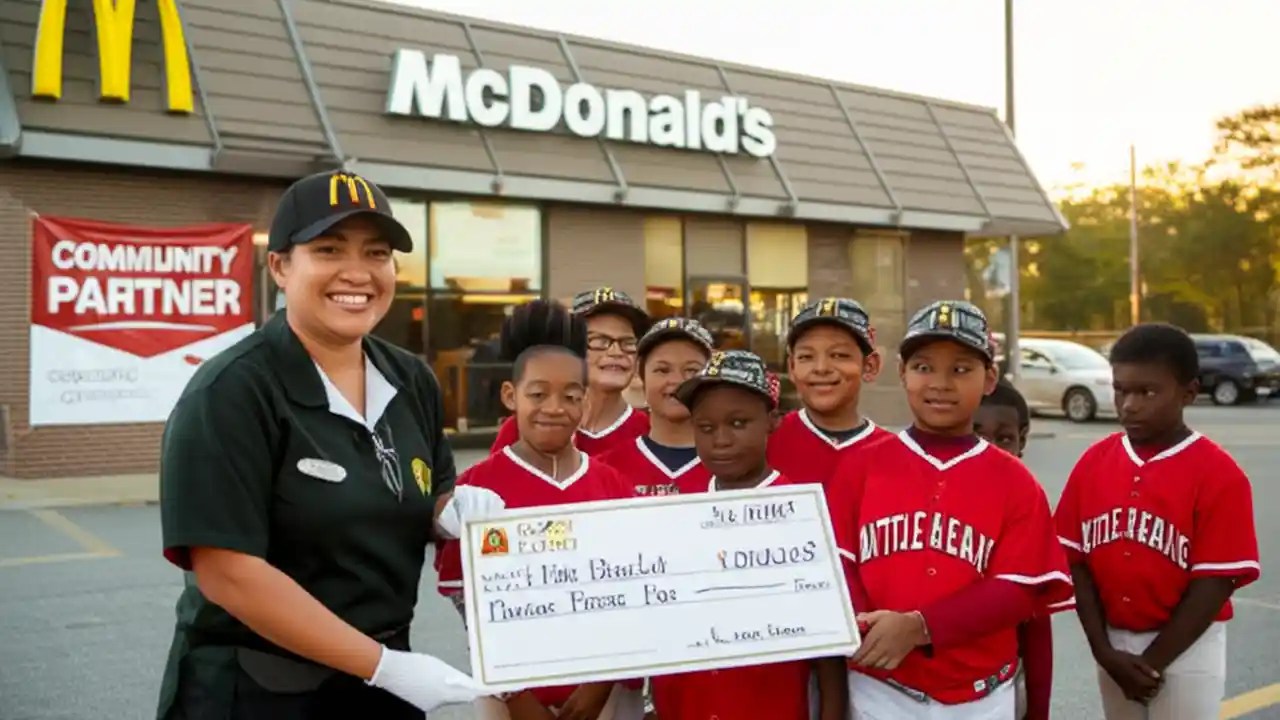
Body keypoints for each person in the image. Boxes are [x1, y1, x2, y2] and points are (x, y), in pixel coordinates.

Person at [155, 169, 501, 719]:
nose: (358, 272)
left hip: (379, 685)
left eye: (378, 253)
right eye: (329, 248)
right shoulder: (233, 392)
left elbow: (427, 488)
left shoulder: (410, 380)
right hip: (259, 691)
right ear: (281, 266)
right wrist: (382, 666)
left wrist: (450, 512)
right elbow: (227, 571)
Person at [825, 300, 1073, 719]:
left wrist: (920, 626)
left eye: (960, 369)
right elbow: (837, 568)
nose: (940, 383)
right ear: (902, 372)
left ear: (989, 378)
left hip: (980, 696)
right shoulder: (861, 466)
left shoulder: (1014, 480)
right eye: (924, 367)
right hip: (878, 690)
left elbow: (1018, 590)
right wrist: (871, 627)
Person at [436, 299, 645, 720]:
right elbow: (468, 601)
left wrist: (599, 685)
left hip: (603, 691)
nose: (554, 408)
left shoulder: (613, 485)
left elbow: (634, 591)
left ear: (585, 401)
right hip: (509, 691)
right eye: (538, 394)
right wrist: (516, 694)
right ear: (511, 396)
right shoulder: (478, 485)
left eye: (570, 396)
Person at [1054, 323, 1261, 720]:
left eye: (1147, 392)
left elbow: (1214, 583)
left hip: (1188, 647)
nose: (1129, 404)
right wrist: (1104, 652)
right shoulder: (1094, 463)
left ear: (1188, 392)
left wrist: (1151, 662)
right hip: (1113, 645)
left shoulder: (1219, 473)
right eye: (1121, 390)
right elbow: (1074, 562)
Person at [647, 350, 849, 720]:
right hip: (686, 705)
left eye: (738, 423)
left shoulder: (801, 512)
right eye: (705, 428)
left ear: (772, 422)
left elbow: (828, 642)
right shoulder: (677, 514)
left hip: (769, 704)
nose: (720, 440)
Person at [490, 288, 652, 455]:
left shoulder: (651, 432)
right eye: (599, 340)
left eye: (627, 342)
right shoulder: (528, 425)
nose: (616, 352)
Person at [975, 381, 1053, 720]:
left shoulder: (1027, 507)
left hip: (999, 684)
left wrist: (1038, 710)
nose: (990, 448)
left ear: (1022, 440)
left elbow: (1037, 626)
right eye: (977, 435)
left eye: (1003, 438)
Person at [768, 298, 891, 487]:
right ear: (792, 367)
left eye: (839, 355)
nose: (821, 368)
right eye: (806, 357)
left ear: (870, 366)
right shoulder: (764, 442)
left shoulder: (893, 453)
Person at [598, 317, 716, 497]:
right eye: (662, 370)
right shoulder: (605, 469)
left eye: (692, 370)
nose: (676, 381)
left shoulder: (738, 466)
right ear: (641, 376)